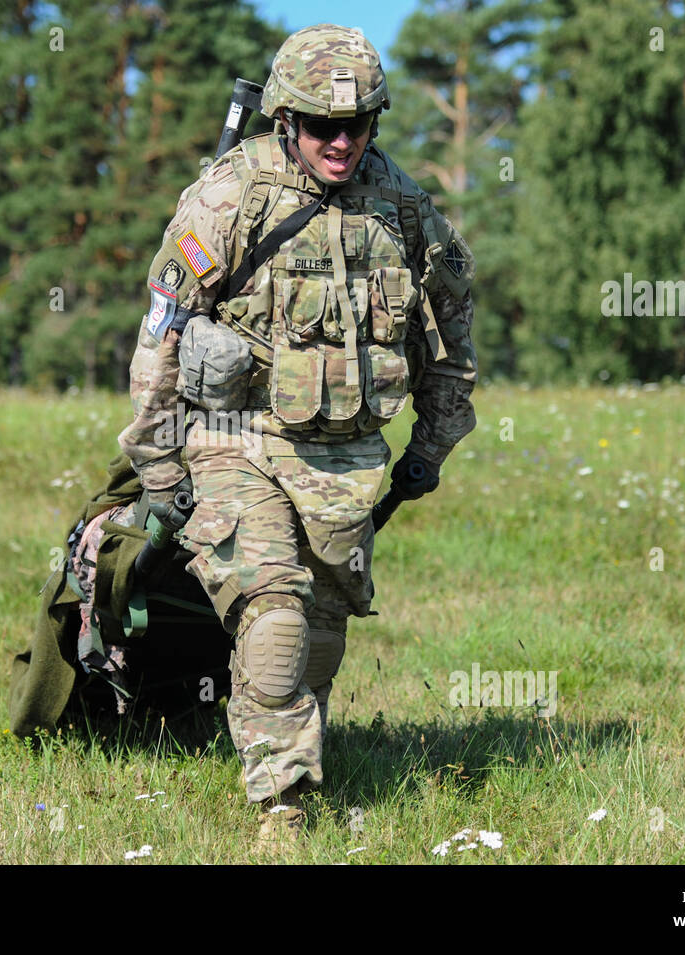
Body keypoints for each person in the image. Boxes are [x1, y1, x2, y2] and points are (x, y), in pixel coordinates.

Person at [117, 23, 478, 845]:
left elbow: (452, 320)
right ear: (286, 120)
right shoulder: (231, 195)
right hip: (232, 437)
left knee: (321, 627)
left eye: (356, 126)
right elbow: (164, 330)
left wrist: (434, 440)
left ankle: (287, 741)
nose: (340, 141)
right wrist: (158, 454)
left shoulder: (402, 205)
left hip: (346, 455)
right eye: (321, 126)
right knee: (276, 612)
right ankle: (280, 808)